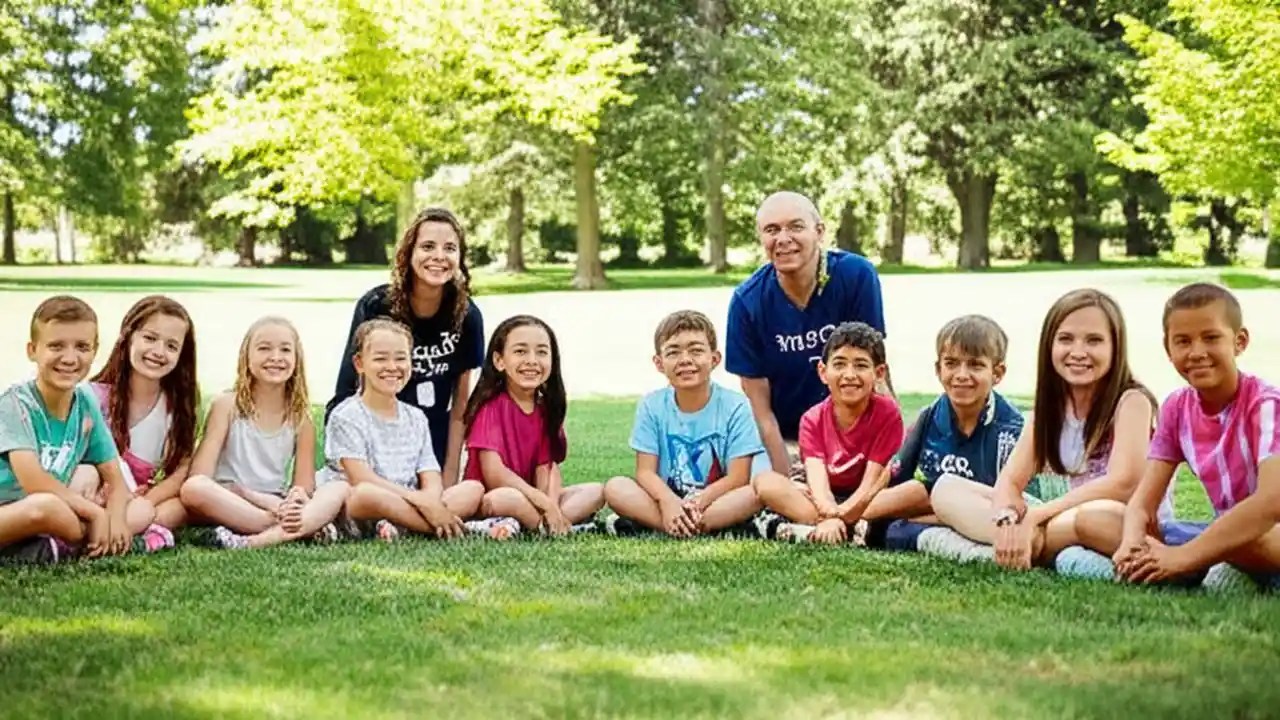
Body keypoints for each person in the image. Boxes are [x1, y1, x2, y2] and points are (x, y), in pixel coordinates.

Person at [929, 289, 1167, 569]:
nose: (1078, 352)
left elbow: (1124, 483)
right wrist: (1008, 521)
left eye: (1094, 341)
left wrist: (1035, 516)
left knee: (1093, 517)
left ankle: (1016, 546)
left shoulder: (1132, 400)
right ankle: (1023, 543)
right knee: (945, 488)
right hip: (1059, 519)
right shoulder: (1049, 408)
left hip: (1120, 518)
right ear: (1049, 345)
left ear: (1116, 347)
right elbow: (1010, 482)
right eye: (1066, 339)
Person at [1074, 283, 1280, 591]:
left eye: (1211, 338)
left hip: (1266, 533)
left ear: (1240, 342)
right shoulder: (1178, 407)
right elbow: (1142, 502)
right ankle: (1179, 564)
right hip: (1223, 535)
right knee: (1091, 519)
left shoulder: (1266, 405)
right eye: (1182, 341)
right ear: (1168, 349)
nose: (1197, 352)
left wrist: (1182, 556)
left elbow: (1271, 503)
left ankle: (1188, 566)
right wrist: (1132, 541)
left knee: (1250, 538)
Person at [727, 191, 889, 476]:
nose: (783, 239)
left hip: (852, 428)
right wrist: (788, 477)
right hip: (784, 438)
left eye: (796, 227)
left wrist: (884, 455)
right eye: (772, 230)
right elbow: (761, 412)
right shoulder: (747, 302)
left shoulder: (856, 276)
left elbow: (873, 375)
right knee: (765, 487)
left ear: (820, 232)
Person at [327, 207, 484, 488]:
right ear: (408, 253)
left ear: (460, 257)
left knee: (460, 495)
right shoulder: (376, 306)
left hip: (427, 441)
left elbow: (461, 405)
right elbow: (348, 386)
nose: (439, 256)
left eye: (450, 248)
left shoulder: (467, 316)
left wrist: (449, 474)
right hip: (374, 437)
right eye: (427, 246)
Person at [180, 317, 346, 549]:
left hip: (272, 500)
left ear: (296, 360)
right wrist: (247, 495)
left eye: (285, 350)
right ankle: (290, 528)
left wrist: (295, 499)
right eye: (264, 348)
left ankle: (278, 528)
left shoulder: (301, 417)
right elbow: (199, 475)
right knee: (193, 488)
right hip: (227, 498)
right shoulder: (226, 405)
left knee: (338, 487)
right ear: (246, 357)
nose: (275, 357)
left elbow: (303, 486)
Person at [864, 315, 1024, 552]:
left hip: (988, 520)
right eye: (951, 363)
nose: (961, 374)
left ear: (997, 373)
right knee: (895, 528)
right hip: (930, 519)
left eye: (975, 365)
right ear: (938, 370)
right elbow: (895, 482)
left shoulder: (1012, 429)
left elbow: (1020, 505)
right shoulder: (928, 417)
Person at [602, 310, 768, 537]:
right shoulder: (651, 405)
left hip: (717, 500)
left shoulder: (737, 406)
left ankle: (672, 525)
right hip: (666, 499)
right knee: (615, 487)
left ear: (715, 359)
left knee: (756, 493)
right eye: (673, 352)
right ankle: (686, 525)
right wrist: (669, 501)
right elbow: (645, 473)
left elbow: (738, 477)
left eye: (696, 350)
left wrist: (699, 501)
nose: (685, 360)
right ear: (659, 363)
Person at [321, 318, 487, 541]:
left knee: (472, 489)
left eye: (401, 358)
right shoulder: (346, 415)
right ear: (359, 363)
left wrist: (431, 500)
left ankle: (406, 526)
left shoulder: (416, 417)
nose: (392, 367)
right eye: (380, 359)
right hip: (366, 504)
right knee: (365, 495)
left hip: (408, 503)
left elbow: (430, 475)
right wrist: (421, 502)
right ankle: (443, 527)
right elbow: (361, 478)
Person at [0, 296, 132, 563]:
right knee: (46, 507)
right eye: (56, 346)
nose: (70, 358)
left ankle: (49, 546)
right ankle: (85, 540)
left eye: (82, 347)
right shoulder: (14, 403)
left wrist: (116, 517)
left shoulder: (85, 402)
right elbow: (34, 482)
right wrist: (97, 514)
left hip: (45, 509)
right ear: (32, 350)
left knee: (102, 484)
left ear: (95, 351)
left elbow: (115, 479)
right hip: (20, 509)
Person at [752, 322, 904, 544]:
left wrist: (842, 513)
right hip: (823, 495)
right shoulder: (812, 419)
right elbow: (818, 483)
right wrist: (829, 512)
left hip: (869, 496)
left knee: (913, 494)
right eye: (840, 364)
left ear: (879, 373)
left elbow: (872, 481)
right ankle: (846, 530)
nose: (849, 374)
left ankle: (813, 530)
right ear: (823, 372)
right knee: (765, 482)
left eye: (861, 365)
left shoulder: (887, 412)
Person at [70, 295, 198, 542]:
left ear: (182, 354)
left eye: (172, 346)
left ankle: (109, 534)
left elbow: (182, 471)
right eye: (150, 338)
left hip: (139, 500)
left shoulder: (177, 408)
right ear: (128, 336)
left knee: (179, 507)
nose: (159, 352)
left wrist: (145, 500)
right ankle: (110, 532)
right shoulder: (91, 396)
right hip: (96, 493)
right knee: (84, 474)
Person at [463, 315, 605, 536]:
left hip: (533, 499)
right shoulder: (490, 407)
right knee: (507, 498)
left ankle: (535, 524)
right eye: (520, 351)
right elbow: (494, 473)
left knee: (596, 492)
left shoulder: (545, 409)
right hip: (497, 496)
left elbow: (547, 467)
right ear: (499, 361)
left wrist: (551, 503)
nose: (532, 360)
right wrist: (544, 503)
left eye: (541, 352)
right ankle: (548, 526)